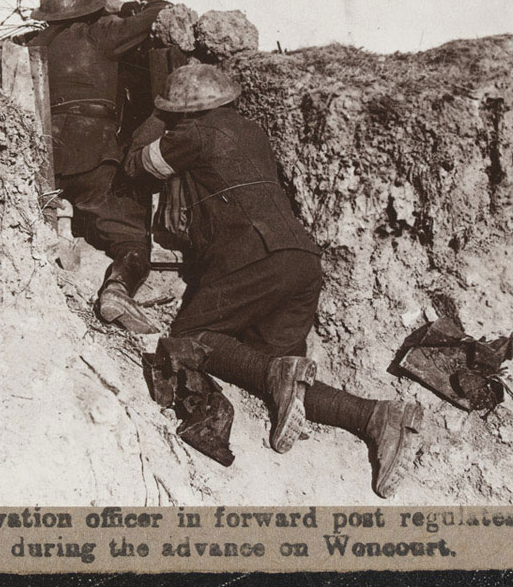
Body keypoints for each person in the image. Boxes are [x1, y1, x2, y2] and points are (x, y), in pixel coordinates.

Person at [125, 62, 422, 498]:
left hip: (253, 258)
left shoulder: (191, 135)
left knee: (191, 337)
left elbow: (136, 166)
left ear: (182, 111)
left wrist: (160, 115)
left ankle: (339, 400)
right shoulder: (252, 131)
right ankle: (378, 416)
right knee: (280, 380)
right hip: (300, 260)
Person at [29, 0, 170, 334]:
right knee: (130, 235)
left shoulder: (36, 42)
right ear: (89, 10)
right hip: (94, 151)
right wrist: (120, 9)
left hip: (48, 156)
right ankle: (119, 288)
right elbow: (158, 14)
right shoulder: (99, 32)